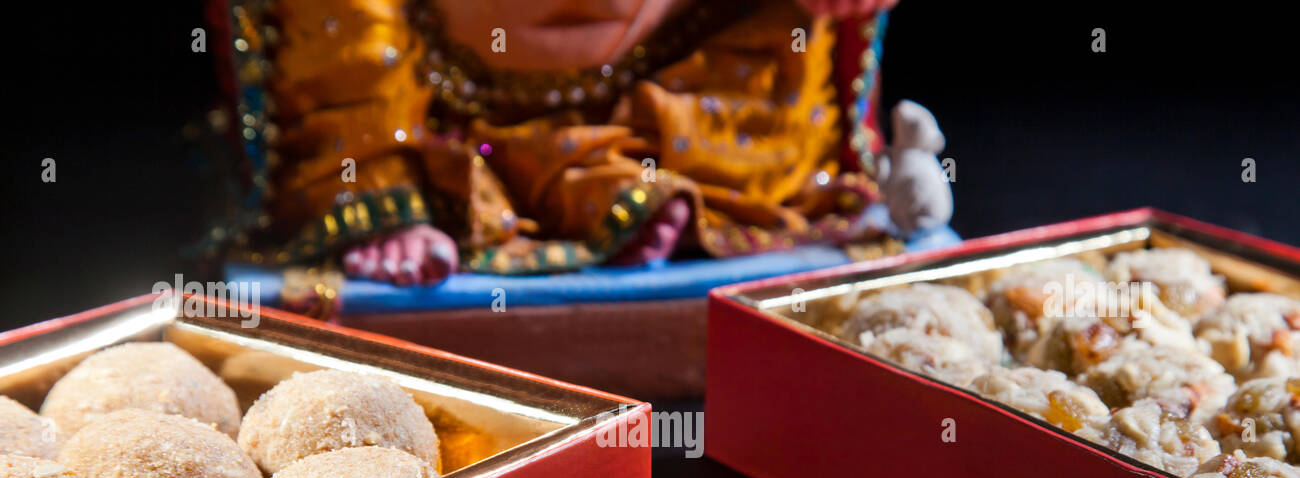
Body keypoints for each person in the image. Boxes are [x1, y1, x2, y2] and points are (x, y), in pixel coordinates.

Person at [214, 0, 948, 286]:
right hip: (441, 77)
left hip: (668, 61)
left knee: (787, 39)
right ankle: (384, 183)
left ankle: (631, 177)